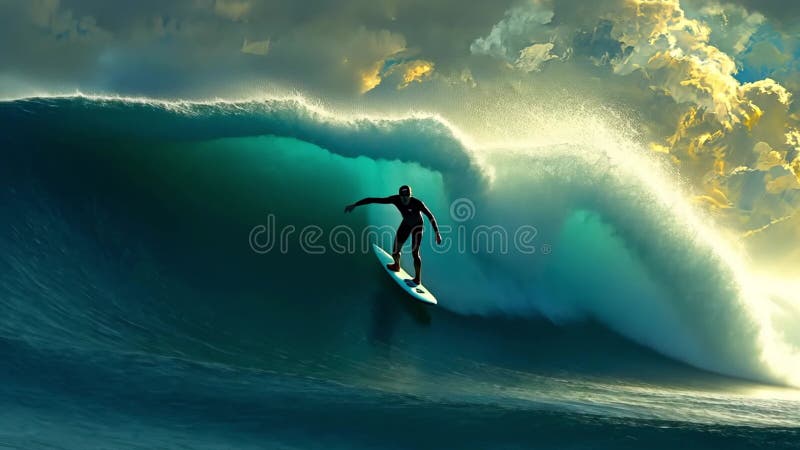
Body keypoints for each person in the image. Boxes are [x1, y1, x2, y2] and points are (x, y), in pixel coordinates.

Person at [345, 185, 442, 285]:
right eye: (403, 196)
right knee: (395, 250)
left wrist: (437, 233)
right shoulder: (395, 199)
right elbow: (372, 199)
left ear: (410, 195)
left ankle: (417, 279)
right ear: (399, 196)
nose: (405, 199)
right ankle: (396, 265)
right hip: (406, 224)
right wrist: (355, 204)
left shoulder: (417, 203)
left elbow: (430, 216)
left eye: (407, 196)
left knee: (415, 253)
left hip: (417, 226)